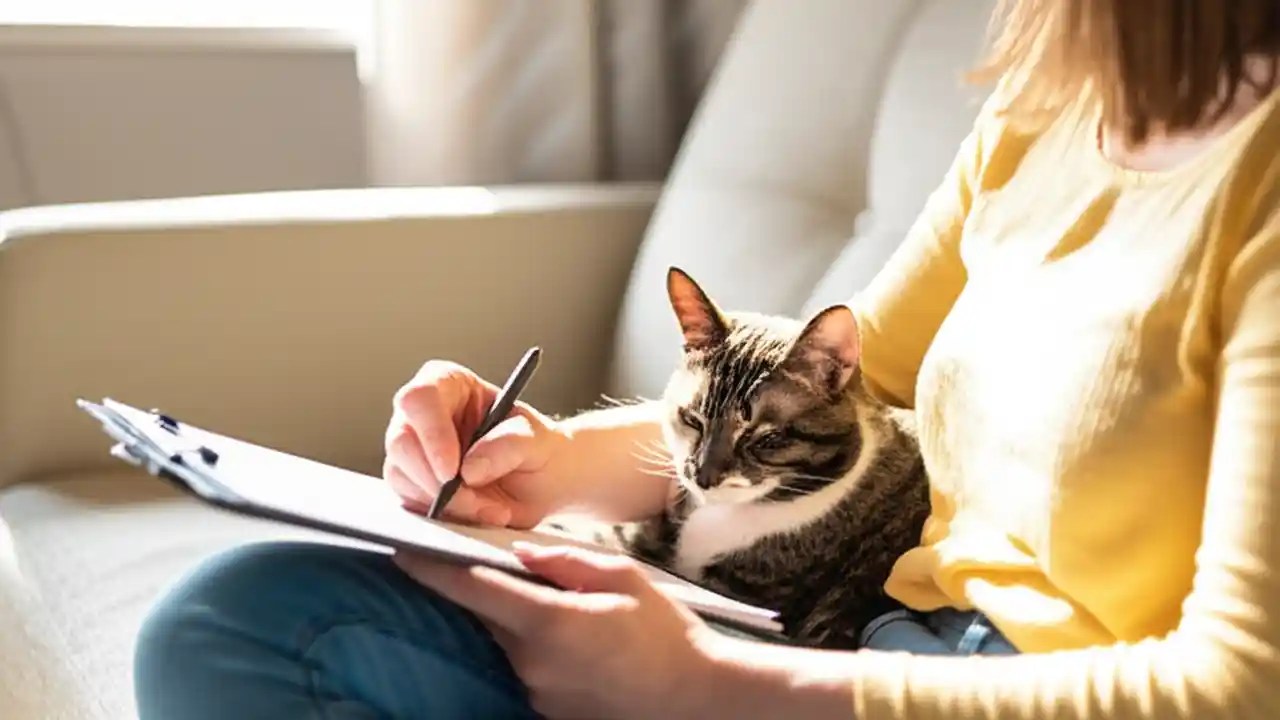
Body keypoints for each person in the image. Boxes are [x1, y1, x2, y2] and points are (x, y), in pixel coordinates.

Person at [133, 1, 1280, 718]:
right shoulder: (1047, 106)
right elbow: (858, 381)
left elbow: (1240, 688)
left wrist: (710, 686)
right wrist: (541, 463)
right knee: (240, 619)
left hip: (995, 682)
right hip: (861, 637)